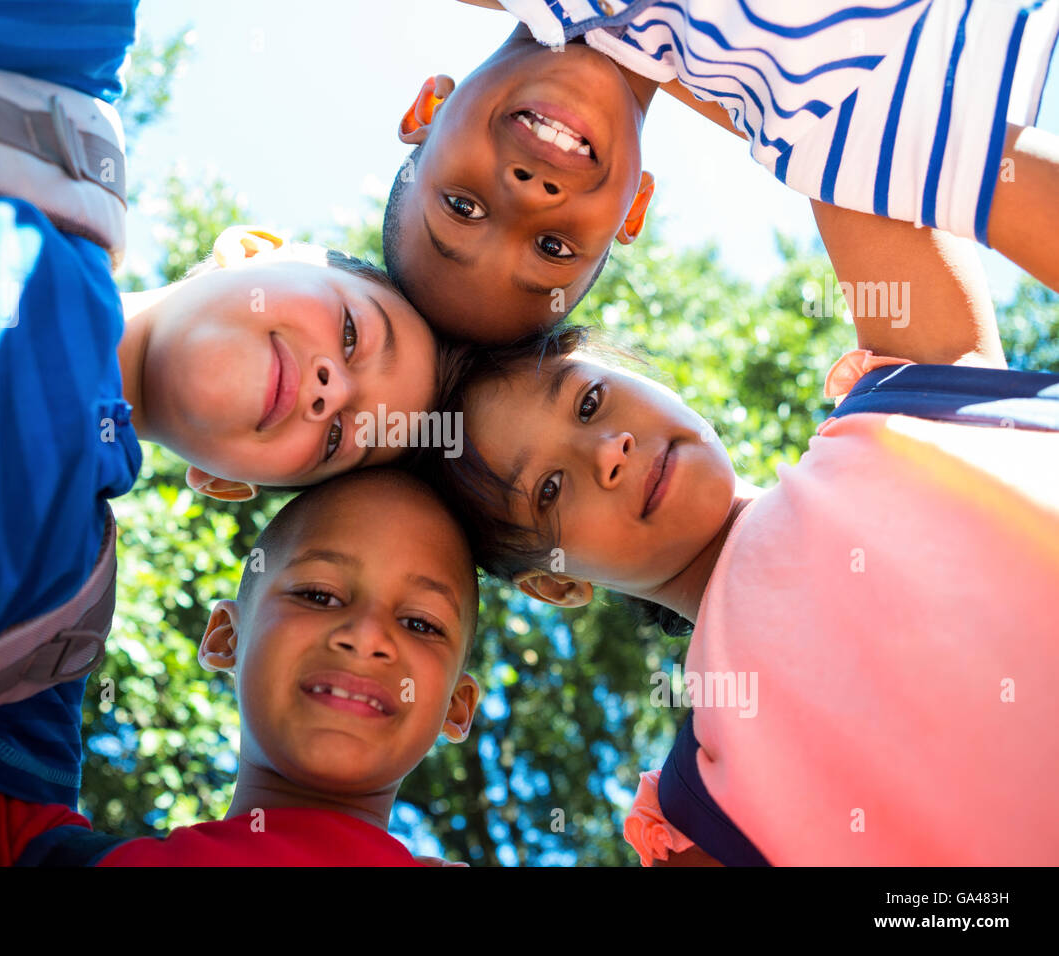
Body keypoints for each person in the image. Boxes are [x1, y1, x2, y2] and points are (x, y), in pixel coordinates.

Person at [0, 0, 441, 810]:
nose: (333, 391)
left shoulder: (50, 627)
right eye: (356, 334)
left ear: (226, 484)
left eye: (338, 440)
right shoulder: (40, 89)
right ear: (253, 251)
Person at [415, 209, 1059, 861]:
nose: (609, 451)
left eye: (588, 402)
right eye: (550, 490)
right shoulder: (702, 811)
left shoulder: (904, 401)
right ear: (556, 584)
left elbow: (847, 136)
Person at [0, 468, 481, 866]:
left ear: (457, 707)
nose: (364, 636)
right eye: (318, 593)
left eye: (419, 623)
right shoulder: (33, 858)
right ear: (225, 638)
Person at [382, 0, 1059, 341]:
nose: (529, 196)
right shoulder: (818, 123)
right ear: (634, 211)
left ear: (427, 107)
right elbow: (958, 371)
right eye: (554, 248)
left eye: (462, 207)